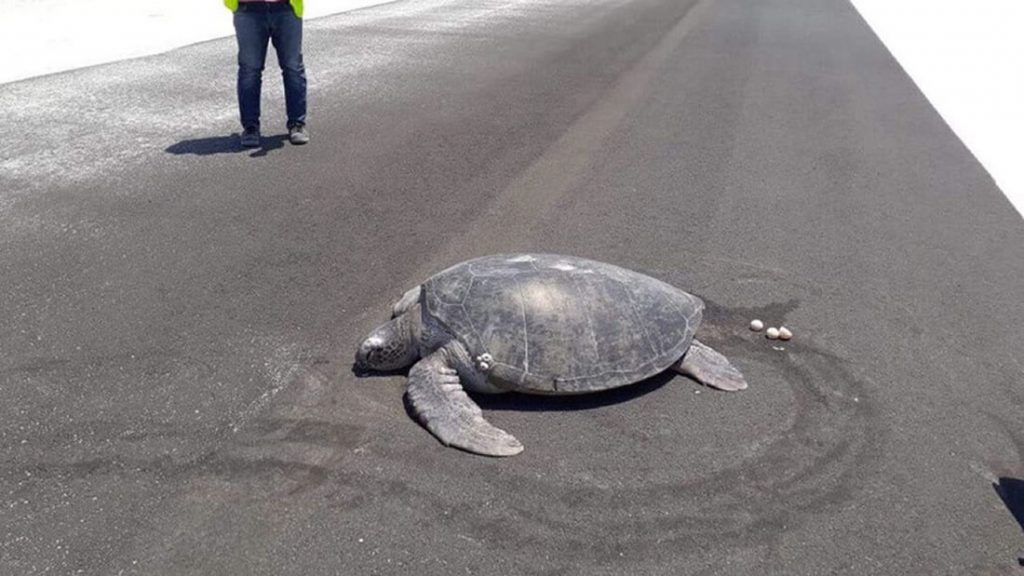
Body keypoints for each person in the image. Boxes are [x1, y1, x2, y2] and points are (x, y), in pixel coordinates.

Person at [224, 0, 309, 147]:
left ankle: (297, 124)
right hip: (248, 9)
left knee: (293, 67)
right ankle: (250, 127)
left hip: (286, 8)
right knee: (249, 70)